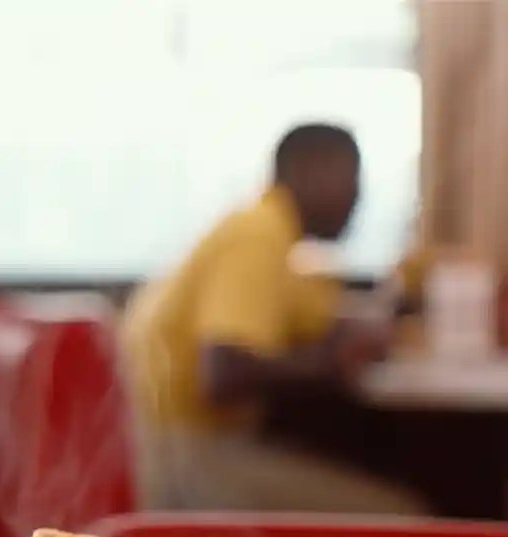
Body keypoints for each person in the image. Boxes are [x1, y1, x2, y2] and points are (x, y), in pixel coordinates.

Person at [122, 124, 428, 514]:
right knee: (399, 515)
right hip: (186, 458)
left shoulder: (274, 238)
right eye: (349, 180)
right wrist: (333, 364)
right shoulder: (257, 235)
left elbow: (319, 313)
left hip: (180, 448)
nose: (357, 198)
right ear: (304, 171)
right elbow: (222, 372)